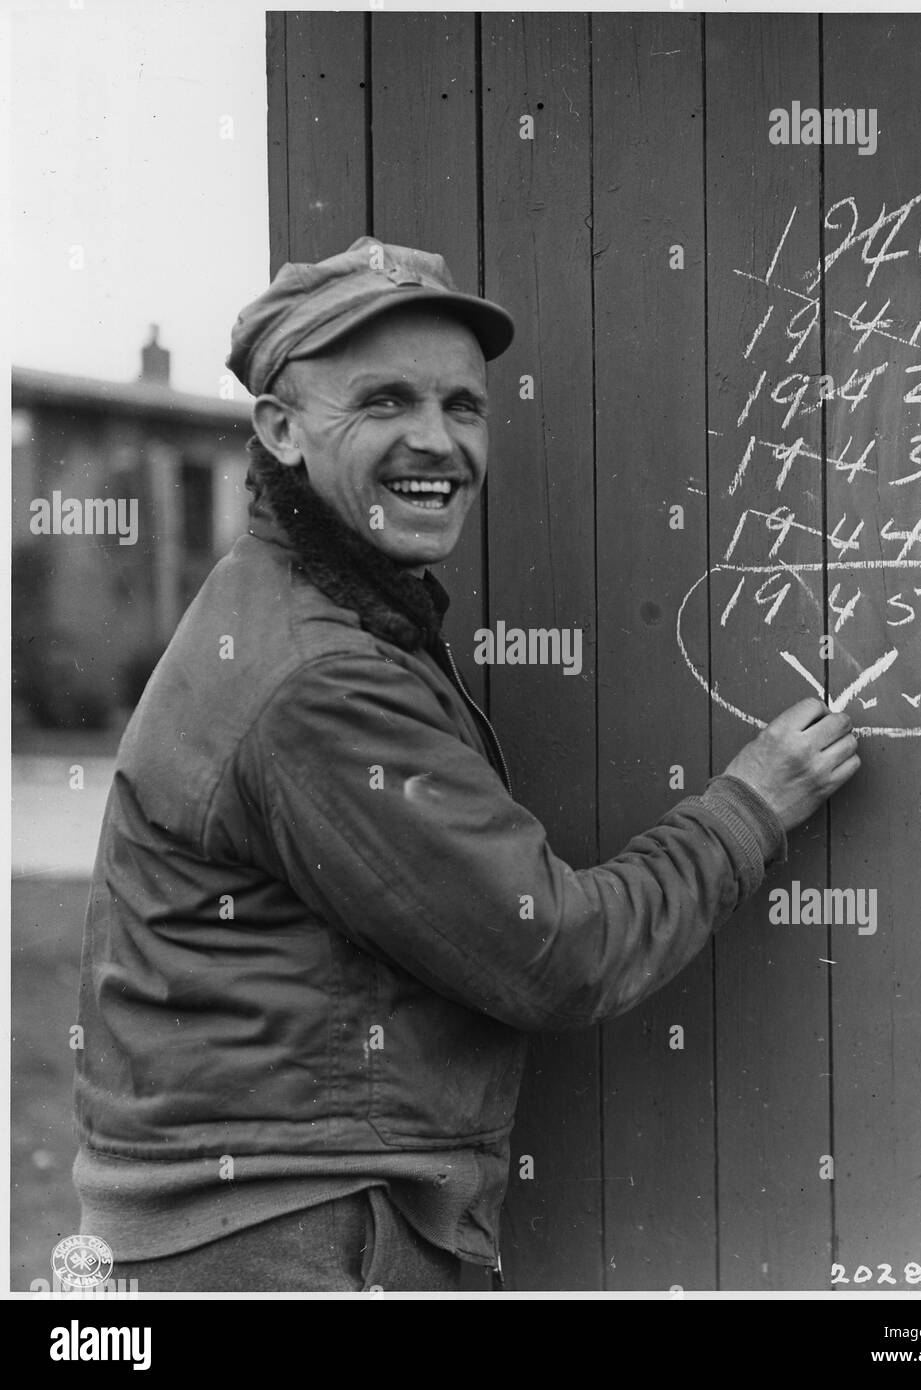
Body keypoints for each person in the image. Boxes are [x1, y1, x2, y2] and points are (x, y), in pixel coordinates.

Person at [73, 236, 860, 1293]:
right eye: (385, 402)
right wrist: (750, 804)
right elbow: (557, 953)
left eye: (464, 405)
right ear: (281, 429)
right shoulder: (316, 681)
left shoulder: (311, 608)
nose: (436, 441)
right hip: (290, 1241)